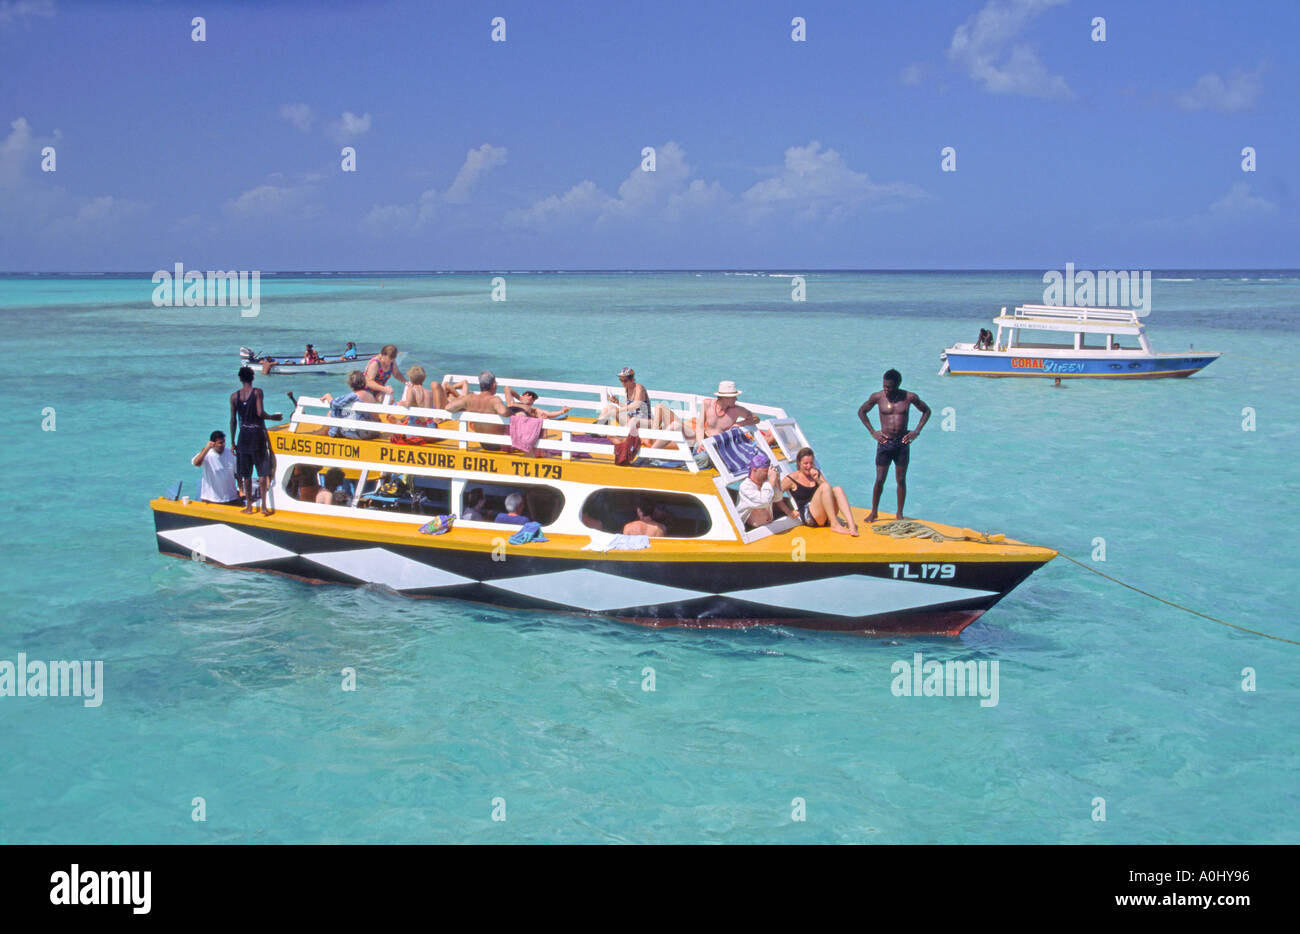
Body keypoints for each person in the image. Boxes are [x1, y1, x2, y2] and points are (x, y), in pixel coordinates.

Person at [858, 369, 931, 523]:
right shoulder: (877, 397)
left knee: (901, 479)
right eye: (884, 386)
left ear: (898, 385)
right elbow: (862, 412)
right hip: (884, 443)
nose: (886, 390)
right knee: (879, 479)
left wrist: (916, 432)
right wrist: (873, 432)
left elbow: (926, 411)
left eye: (889, 387)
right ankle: (874, 512)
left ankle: (899, 513)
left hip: (902, 443)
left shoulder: (909, 397)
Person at [229, 367, 283, 515]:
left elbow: (233, 420)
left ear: (240, 379)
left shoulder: (234, 396)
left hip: (243, 436)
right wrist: (273, 417)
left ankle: (249, 507)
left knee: (246, 474)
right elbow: (260, 413)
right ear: (252, 377)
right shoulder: (257, 392)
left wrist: (233, 441)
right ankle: (264, 507)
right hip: (257, 434)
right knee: (262, 472)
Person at [781, 447, 859, 535]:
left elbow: (829, 492)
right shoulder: (791, 478)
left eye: (811, 463)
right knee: (825, 486)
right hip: (810, 516)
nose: (809, 466)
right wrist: (789, 512)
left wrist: (817, 479)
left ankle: (852, 526)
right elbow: (776, 496)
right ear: (799, 463)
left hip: (824, 515)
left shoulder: (816, 473)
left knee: (838, 489)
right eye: (805, 463)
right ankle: (834, 524)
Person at [446, 370, 510, 448]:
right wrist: (512, 411)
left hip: (483, 443)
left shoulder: (469, 398)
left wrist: (463, 409)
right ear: (493, 385)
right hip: (498, 443)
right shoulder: (494, 400)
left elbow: (448, 407)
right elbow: (504, 412)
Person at [735, 454, 797, 528]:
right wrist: (771, 481)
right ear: (754, 469)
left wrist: (776, 480)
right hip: (751, 529)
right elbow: (764, 501)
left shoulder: (766, 483)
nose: (768, 474)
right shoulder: (745, 487)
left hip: (769, 525)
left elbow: (778, 498)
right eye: (766, 471)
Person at [697, 380, 760, 450]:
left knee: (701, 457)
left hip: (722, 445)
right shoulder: (707, 404)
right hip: (706, 441)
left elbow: (756, 419)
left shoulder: (736, 410)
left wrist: (739, 424)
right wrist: (700, 443)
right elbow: (700, 426)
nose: (736, 399)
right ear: (725, 398)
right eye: (734, 397)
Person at [321, 370, 380, 440]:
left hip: (361, 433)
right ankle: (322, 431)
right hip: (373, 432)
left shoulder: (353, 396)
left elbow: (335, 404)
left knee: (331, 413)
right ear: (364, 383)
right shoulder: (370, 395)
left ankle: (321, 431)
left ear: (350, 384)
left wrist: (328, 397)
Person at [191, 430, 241, 505]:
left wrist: (241, 490)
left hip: (230, 498)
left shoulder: (231, 454)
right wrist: (206, 449)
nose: (223, 445)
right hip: (210, 499)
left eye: (224, 442)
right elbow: (196, 463)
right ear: (213, 443)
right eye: (220, 443)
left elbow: (238, 474)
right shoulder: (206, 454)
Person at [504, 386, 571, 420]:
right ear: (523, 396)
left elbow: (548, 414)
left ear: (533, 402)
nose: (530, 397)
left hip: (519, 417)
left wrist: (562, 412)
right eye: (528, 394)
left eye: (533, 397)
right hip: (509, 415)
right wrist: (519, 398)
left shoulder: (532, 409)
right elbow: (507, 388)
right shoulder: (512, 402)